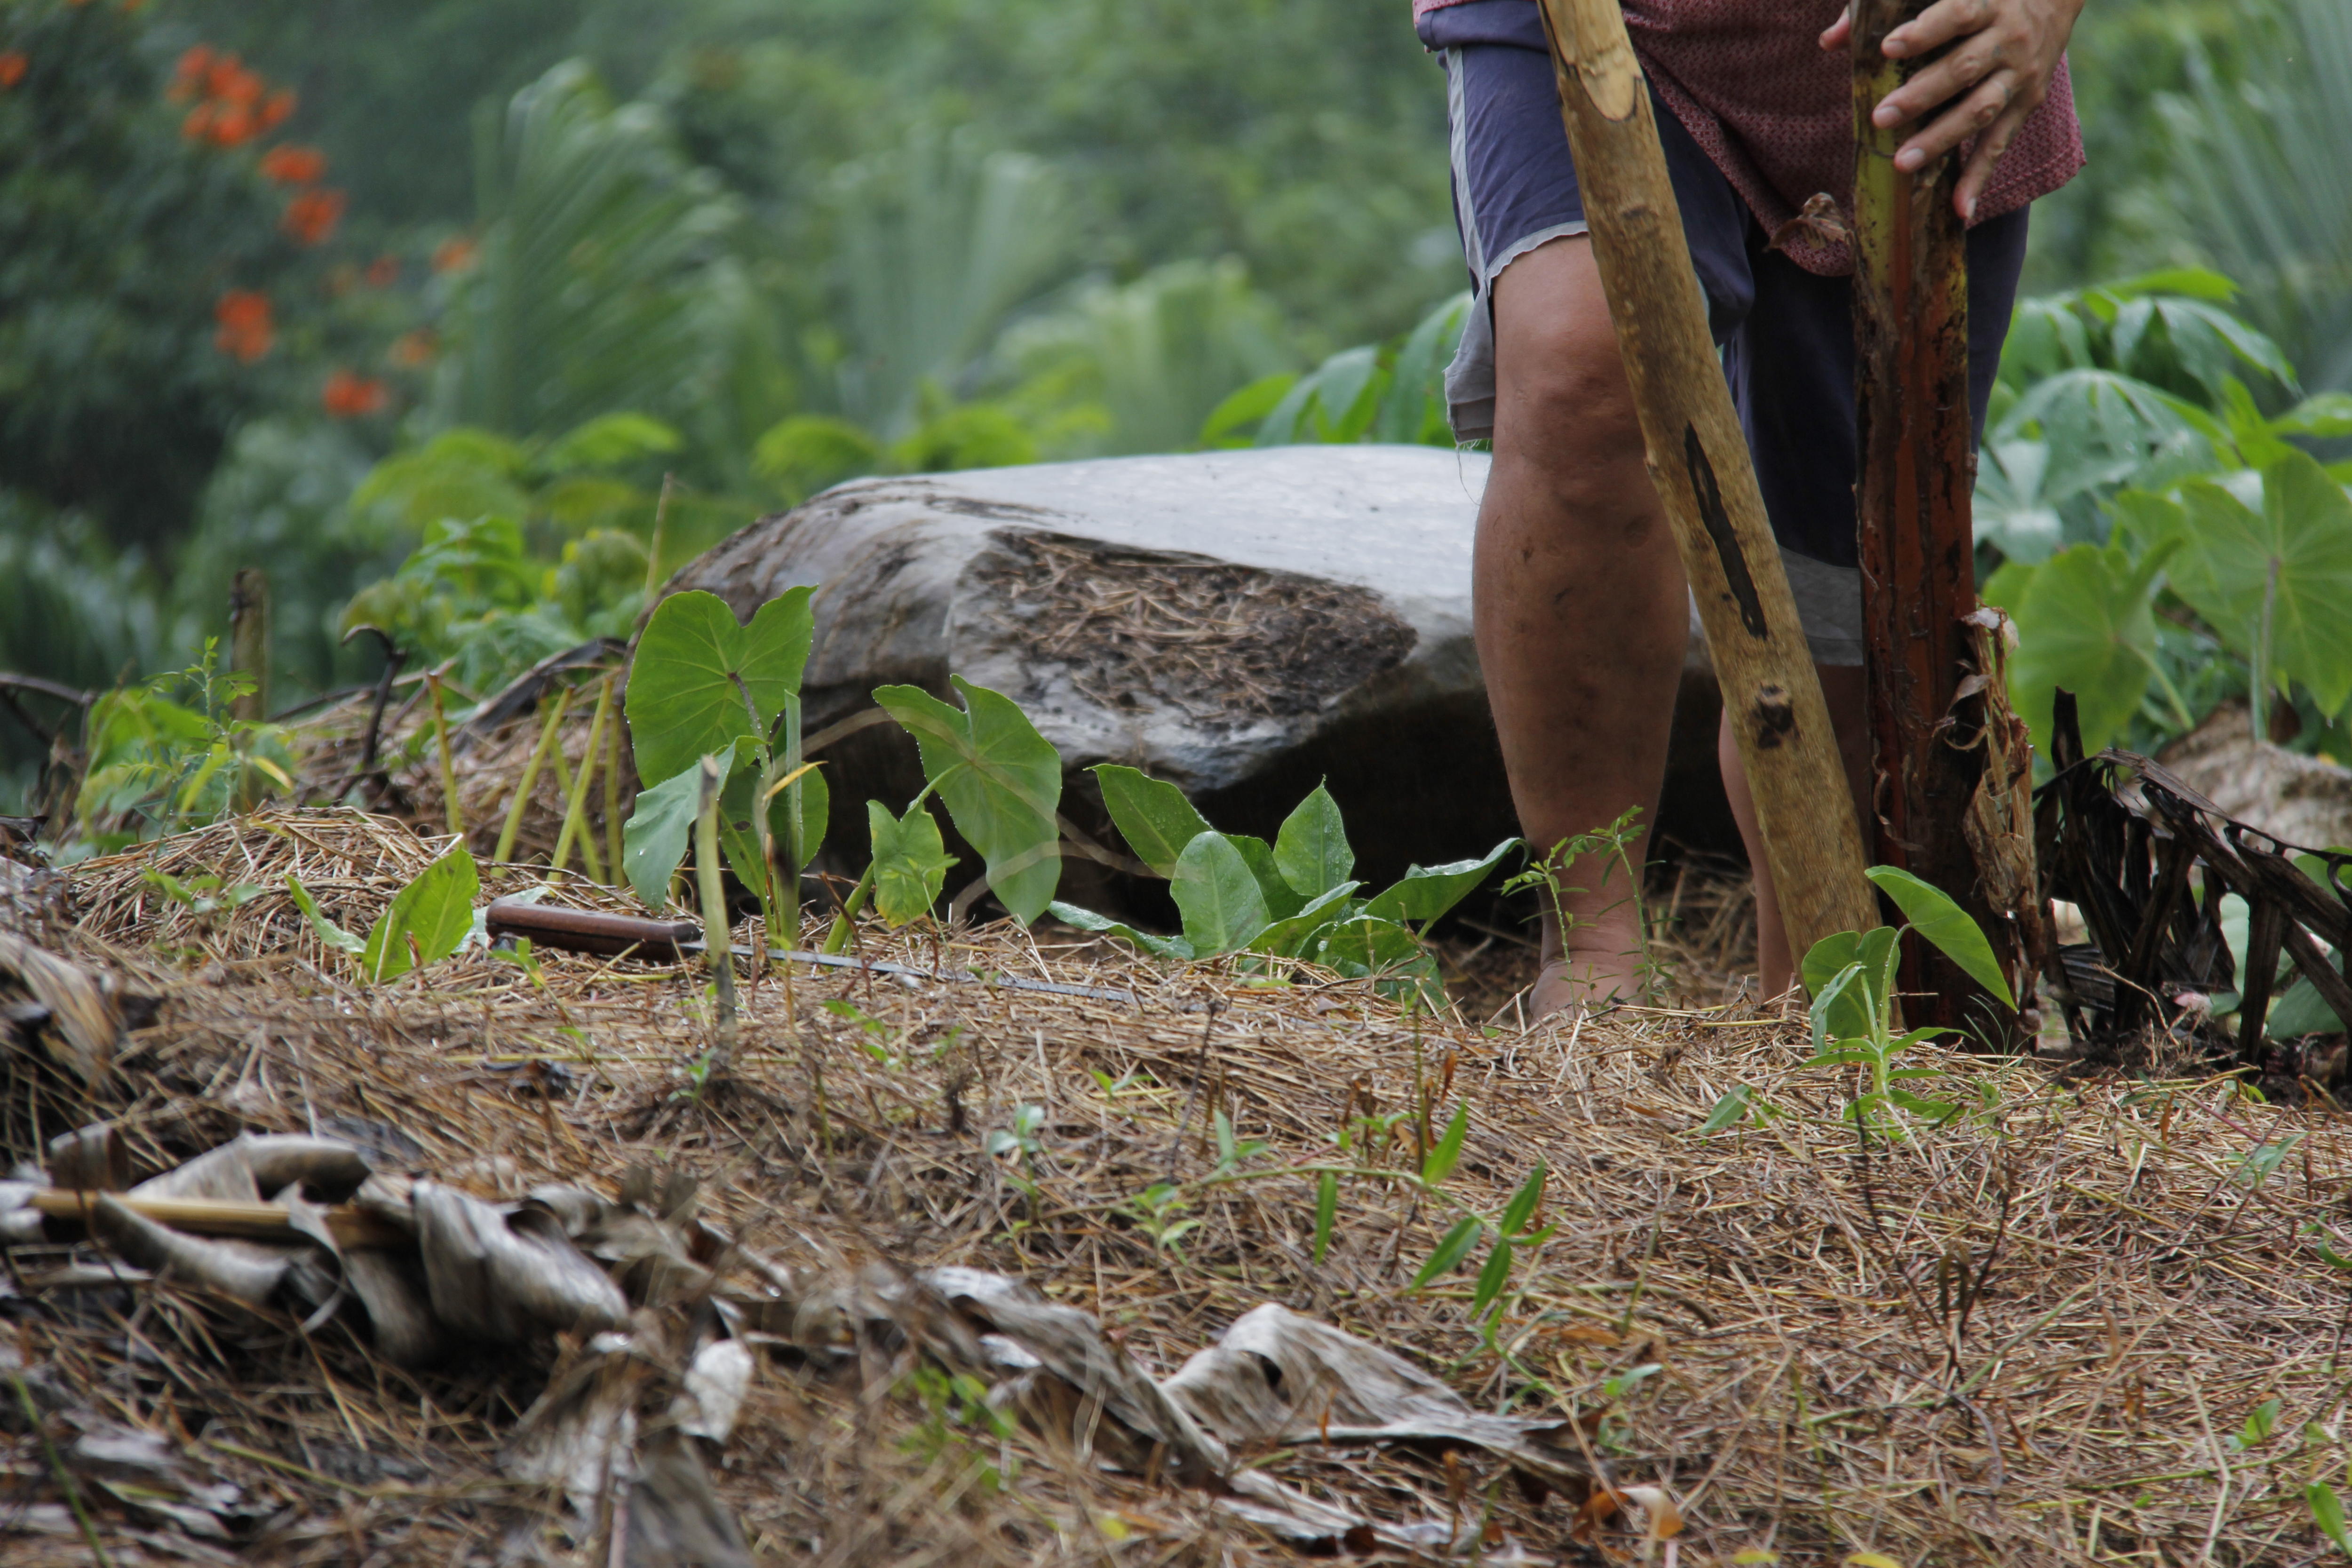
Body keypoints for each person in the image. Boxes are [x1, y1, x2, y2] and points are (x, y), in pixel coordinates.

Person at [1416, 0, 2085, 1014]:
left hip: (1923, 43)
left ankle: (1818, 1000)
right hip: (1609, 24)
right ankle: (1591, 958)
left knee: (1859, 564)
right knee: (1586, 363)